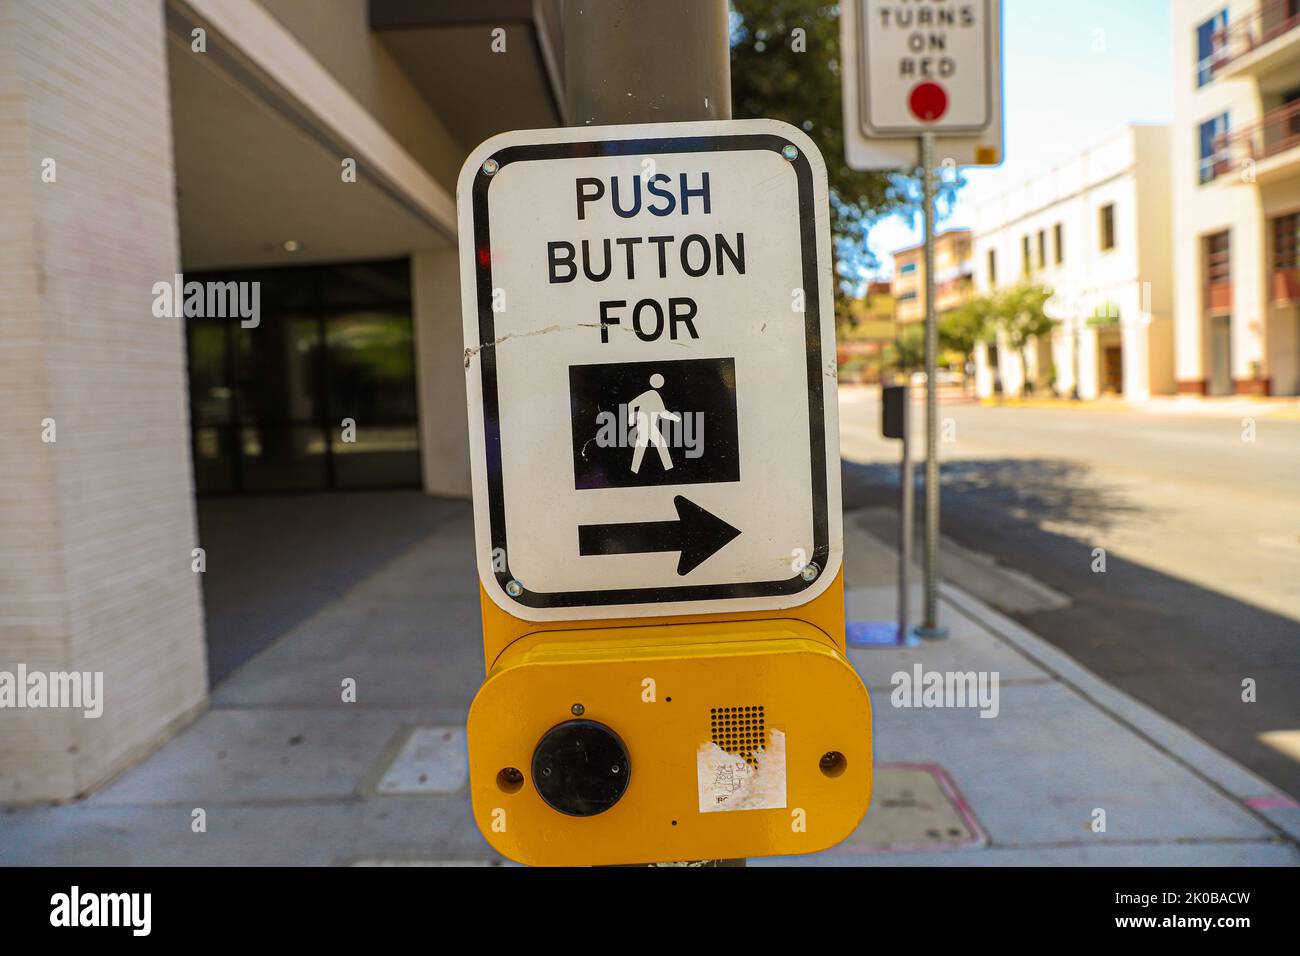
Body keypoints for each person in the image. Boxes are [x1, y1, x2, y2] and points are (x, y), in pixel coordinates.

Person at [627, 372, 680, 474]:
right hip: (644, 425)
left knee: (644, 447)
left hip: (649, 426)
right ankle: (669, 469)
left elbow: (662, 412)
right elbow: (631, 404)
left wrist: (676, 419)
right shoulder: (651, 394)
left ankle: (634, 471)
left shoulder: (655, 395)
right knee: (655, 444)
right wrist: (631, 421)